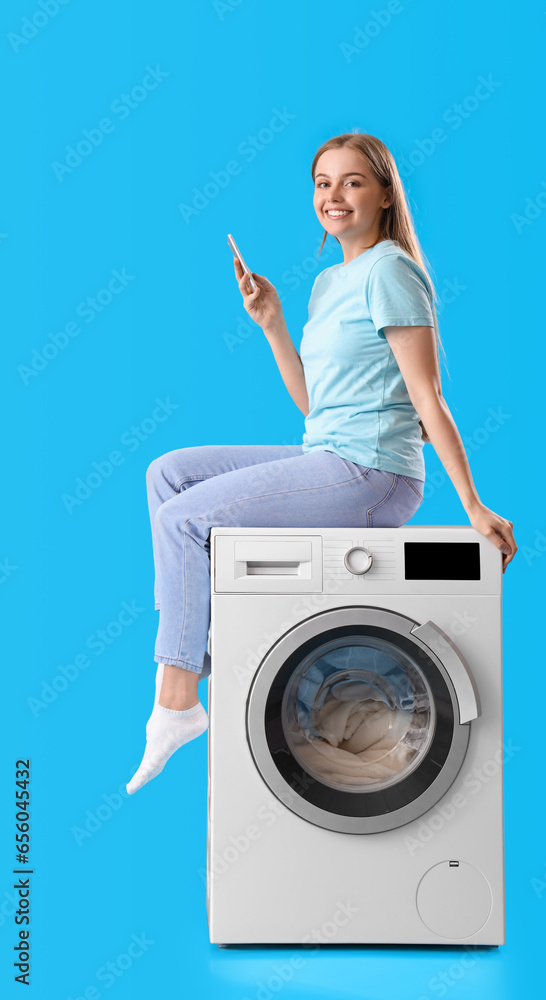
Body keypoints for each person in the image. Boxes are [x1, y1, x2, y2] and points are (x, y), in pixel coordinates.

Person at [126, 132, 517, 794]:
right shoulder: (329, 282)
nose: (333, 196)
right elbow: (317, 405)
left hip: (373, 475)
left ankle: (176, 698)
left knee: (184, 523)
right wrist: (274, 323)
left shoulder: (391, 271)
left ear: (386, 194)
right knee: (168, 476)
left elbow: (428, 395)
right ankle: (200, 651)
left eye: (353, 182)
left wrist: (473, 504)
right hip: (332, 452)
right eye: (322, 183)